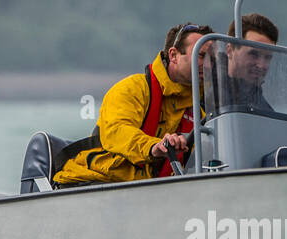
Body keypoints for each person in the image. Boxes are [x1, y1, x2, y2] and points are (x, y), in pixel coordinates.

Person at [53, 23, 213, 185]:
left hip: (151, 192)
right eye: (201, 55)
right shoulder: (132, 89)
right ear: (173, 55)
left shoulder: (202, 112)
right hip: (93, 181)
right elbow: (117, 131)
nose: (208, 64)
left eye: (211, 58)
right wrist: (154, 147)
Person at [222, 13, 279, 113]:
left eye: (267, 57)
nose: (261, 65)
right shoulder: (202, 91)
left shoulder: (266, 111)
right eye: (253, 54)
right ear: (230, 50)